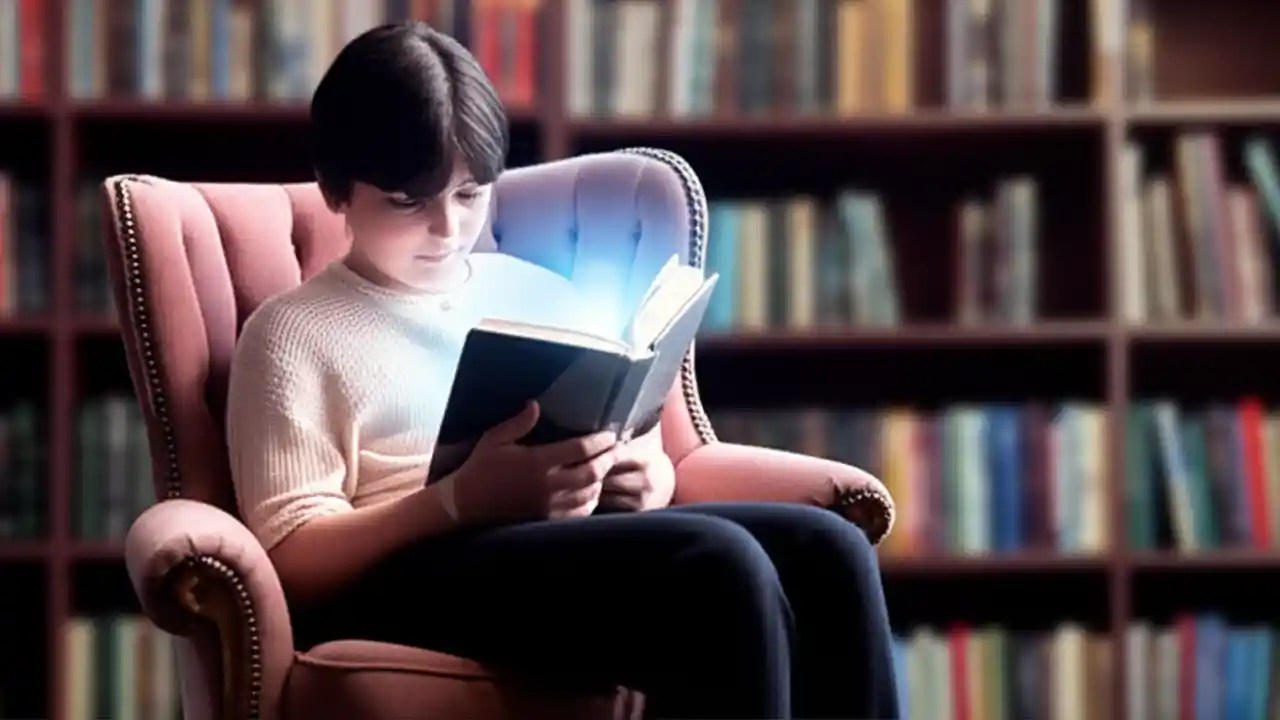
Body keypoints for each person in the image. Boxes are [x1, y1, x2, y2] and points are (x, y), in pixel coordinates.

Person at [224, 20, 899, 720]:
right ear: (337, 191)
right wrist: (457, 501)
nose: (448, 229)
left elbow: (633, 436)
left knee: (829, 549)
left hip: (559, 547)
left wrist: (646, 478)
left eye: (469, 194)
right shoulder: (290, 333)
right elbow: (291, 556)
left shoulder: (531, 290)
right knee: (720, 565)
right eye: (408, 201)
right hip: (406, 571)